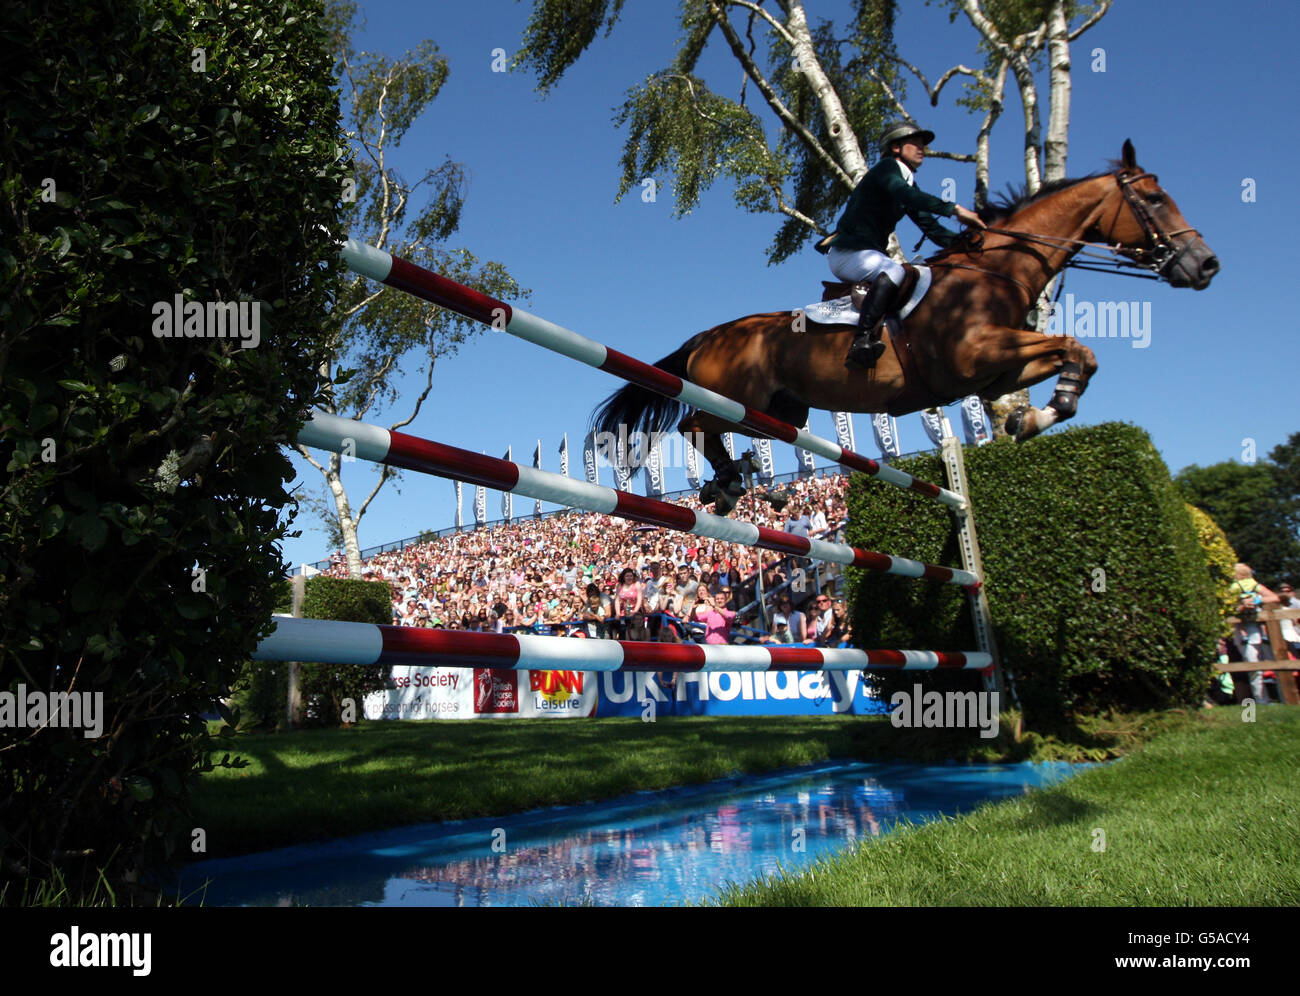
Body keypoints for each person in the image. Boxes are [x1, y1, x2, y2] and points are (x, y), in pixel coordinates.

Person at [821, 121, 985, 370]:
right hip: (847, 254)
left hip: (865, 254)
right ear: (896, 147)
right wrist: (954, 209)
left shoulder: (906, 180)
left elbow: (929, 225)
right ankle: (861, 340)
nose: (922, 148)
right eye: (915, 143)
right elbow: (906, 195)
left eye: (923, 144)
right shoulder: (887, 168)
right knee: (896, 271)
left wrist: (965, 243)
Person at [1227, 563, 1279, 701]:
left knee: (1275, 664)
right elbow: (1226, 607)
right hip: (1242, 632)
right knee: (1252, 665)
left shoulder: (1254, 586)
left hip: (1262, 630)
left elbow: (1274, 597)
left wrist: (1257, 600)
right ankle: (1262, 701)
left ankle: (1281, 698)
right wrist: (1241, 607)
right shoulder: (1229, 590)